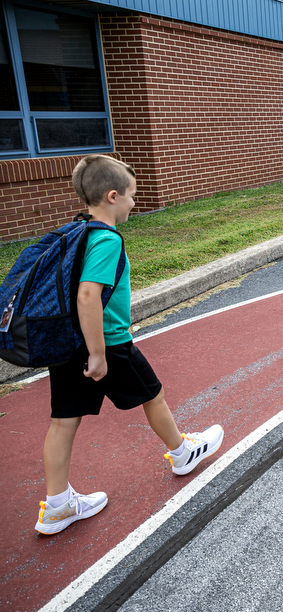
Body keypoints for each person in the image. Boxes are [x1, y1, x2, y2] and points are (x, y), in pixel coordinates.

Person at [35, 155, 225, 535]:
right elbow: (88, 295)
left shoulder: (77, 232)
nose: (134, 203)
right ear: (111, 196)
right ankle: (182, 453)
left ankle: (56, 506)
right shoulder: (105, 240)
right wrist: (99, 353)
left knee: (62, 422)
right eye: (132, 196)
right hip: (107, 342)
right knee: (153, 395)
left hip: (68, 343)